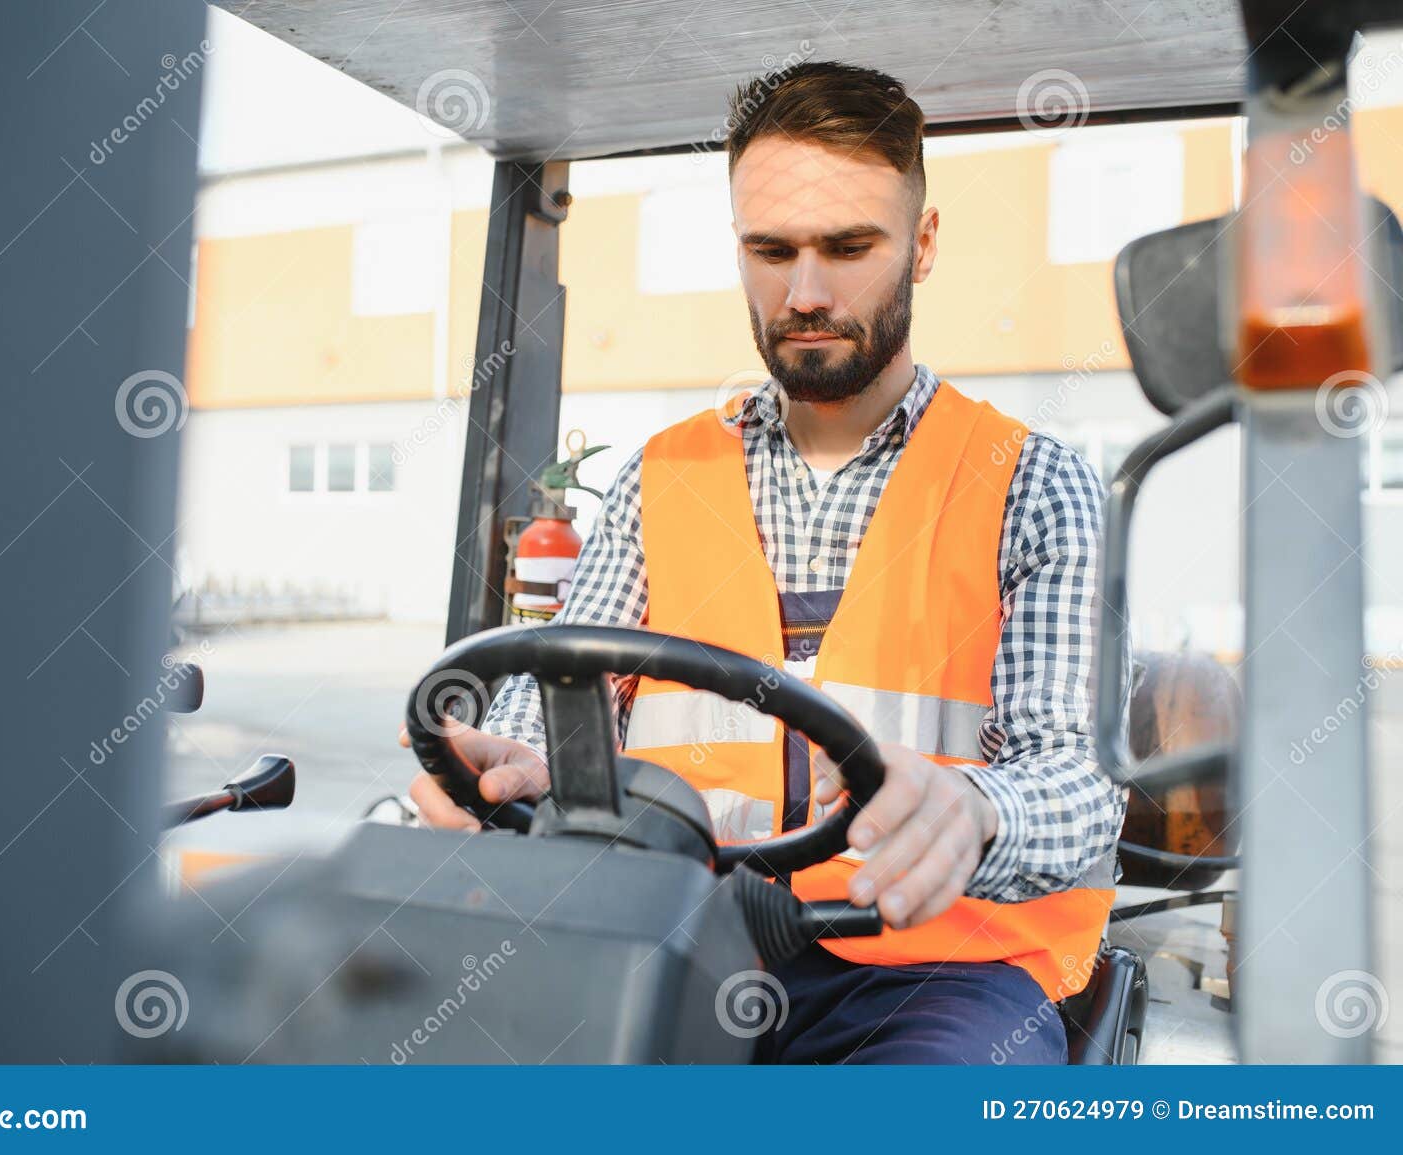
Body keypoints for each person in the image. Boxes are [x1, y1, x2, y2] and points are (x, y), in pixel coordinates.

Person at [403, 61, 1129, 1065]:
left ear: (920, 246)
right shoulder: (662, 477)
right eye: (770, 250)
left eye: (848, 247)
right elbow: (560, 698)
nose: (806, 292)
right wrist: (523, 773)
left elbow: (1077, 776)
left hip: (939, 973)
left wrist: (974, 808)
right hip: (681, 938)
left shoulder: (1031, 484)